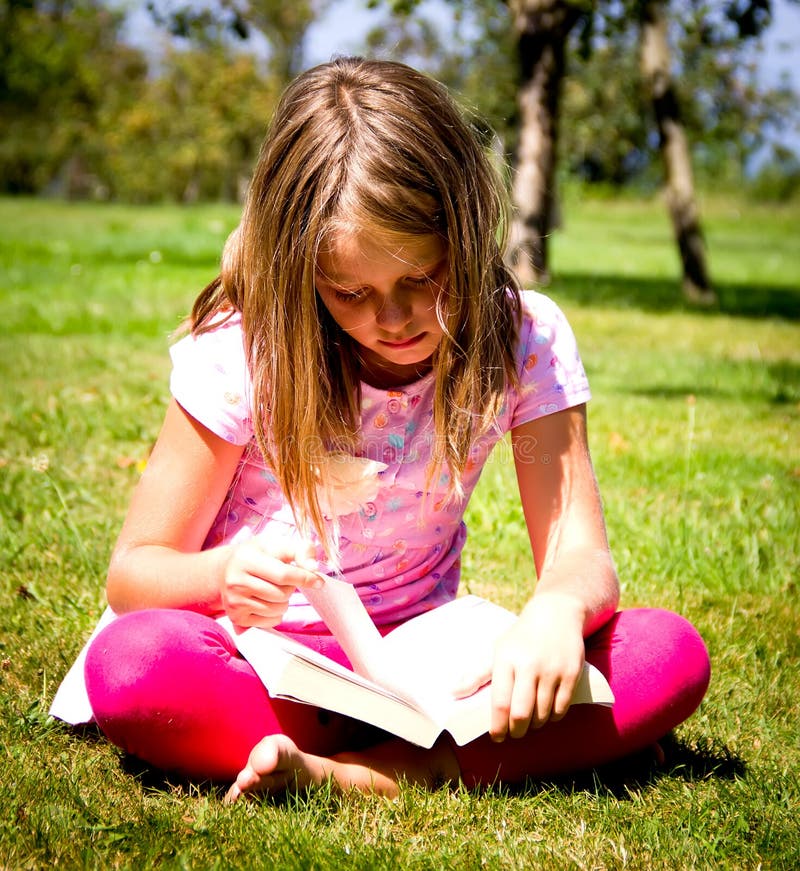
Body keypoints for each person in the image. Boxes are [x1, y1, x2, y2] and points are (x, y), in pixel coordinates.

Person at [61, 57, 710, 800]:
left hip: (425, 665)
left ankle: (376, 768)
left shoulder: (520, 340)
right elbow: (135, 571)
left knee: (666, 653)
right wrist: (220, 577)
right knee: (136, 666)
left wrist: (556, 611)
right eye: (351, 292)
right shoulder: (248, 349)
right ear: (298, 270)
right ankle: (461, 754)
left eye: (422, 278)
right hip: (263, 664)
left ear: (464, 235)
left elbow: (579, 553)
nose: (394, 319)